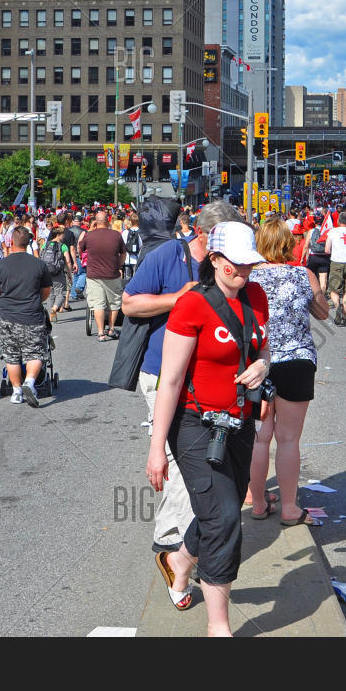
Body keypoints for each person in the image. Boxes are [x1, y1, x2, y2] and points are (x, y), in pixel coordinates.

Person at [146, 221, 272, 634]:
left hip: (239, 423)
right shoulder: (192, 304)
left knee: (224, 508)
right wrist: (156, 449)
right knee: (224, 523)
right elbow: (171, 380)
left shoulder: (256, 295)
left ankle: (179, 561)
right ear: (216, 260)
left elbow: (263, 347)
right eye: (237, 264)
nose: (245, 271)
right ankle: (219, 626)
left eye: (250, 263)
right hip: (195, 426)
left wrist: (262, 366)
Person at [123, 199, 235, 555]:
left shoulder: (225, 265)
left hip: (204, 376)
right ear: (201, 233)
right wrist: (177, 299)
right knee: (180, 456)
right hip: (162, 372)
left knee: (187, 456)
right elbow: (129, 303)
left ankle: (172, 535)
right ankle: (186, 544)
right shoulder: (170, 254)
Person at [247, 216, 329, 525]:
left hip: (258, 362)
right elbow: (322, 312)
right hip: (297, 361)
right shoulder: (303, 274)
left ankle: (256, 503)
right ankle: (290, 507)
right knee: (289, 439)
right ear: (287, 244)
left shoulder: (248, 278)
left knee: (260, 437)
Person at [0, 225, 51, 407]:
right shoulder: (39, 264)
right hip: (32, 315)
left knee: (12, 355)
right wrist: (37, 300)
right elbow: (46, 291)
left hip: (8, 315)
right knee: (35, 352)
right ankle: (30, 382)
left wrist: (3, 299)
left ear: (10, 242)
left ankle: (16, 391)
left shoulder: (1, 265)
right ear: (29, 242)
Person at [81, 209, 126, 341]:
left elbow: (81, 248)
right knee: (114, 302)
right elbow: (123, 253)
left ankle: (101, 333)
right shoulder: (116, 235)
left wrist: (90, 229)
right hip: (112, 273)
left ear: (96, 222)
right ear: (108, 221)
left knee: (98, 303)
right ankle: (111, 328)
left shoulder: (89, 235)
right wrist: (118, 265)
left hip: (94, 274)